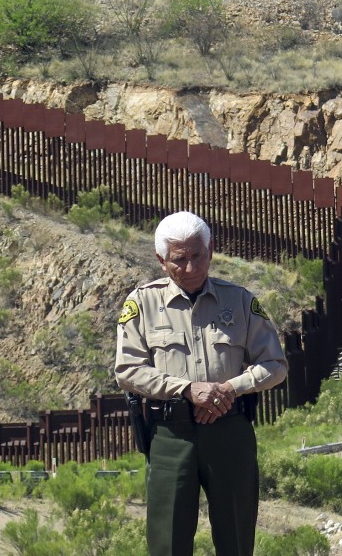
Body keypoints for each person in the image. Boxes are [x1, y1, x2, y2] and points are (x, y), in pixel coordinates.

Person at [115, 211, 288, 556]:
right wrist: (185, 389)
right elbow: (127, 369)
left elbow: (275, 365)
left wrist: (231, 388)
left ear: (211, 251)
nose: (191, 267)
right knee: (168, 541)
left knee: (237, 540)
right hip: (171, 434)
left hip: (230, 432)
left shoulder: (238, 300)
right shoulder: (142, 303)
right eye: (180, 259)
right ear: (161, 260)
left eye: (198, 256)